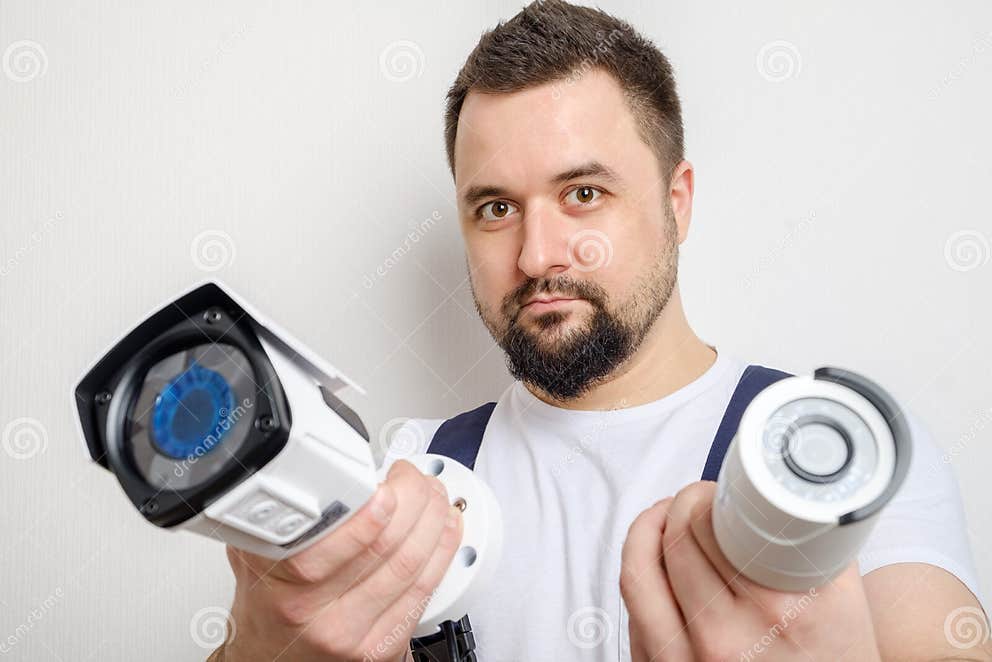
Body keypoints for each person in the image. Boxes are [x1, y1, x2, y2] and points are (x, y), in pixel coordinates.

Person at [210, 1, 989, 660]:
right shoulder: (409, 475)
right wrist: (255, 646)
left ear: (676, 202)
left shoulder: (839, 458)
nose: (537, 254)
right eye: (495, 208)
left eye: (583, 192)